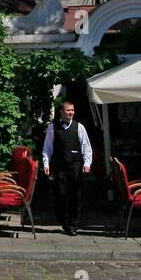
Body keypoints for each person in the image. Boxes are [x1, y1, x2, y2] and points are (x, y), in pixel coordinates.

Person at [42, 100, 93, 236]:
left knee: (75, 195)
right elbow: (47, 147)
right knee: (60, 194)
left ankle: (73, 225)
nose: (71, 112)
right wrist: (46, 163)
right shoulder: (53, 128)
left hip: (75, 164)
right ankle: (63, 222)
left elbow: (86, 147)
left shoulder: (79, 127)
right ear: (61, 112)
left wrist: (87, 163)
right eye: (68, 110)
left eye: (73, 110)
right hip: (59, 165)